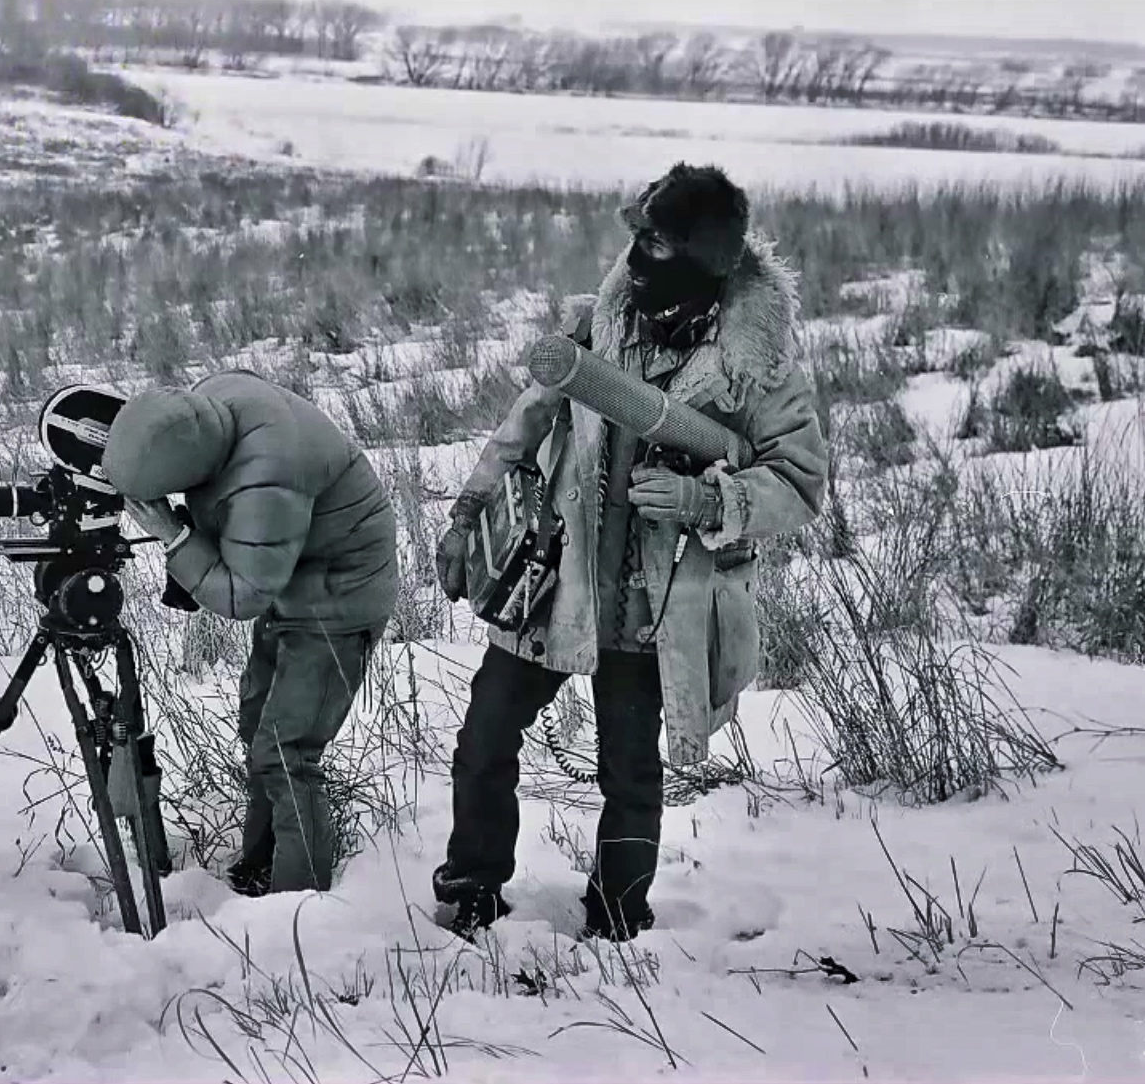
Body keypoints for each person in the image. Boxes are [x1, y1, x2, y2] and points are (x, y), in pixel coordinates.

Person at [432, 163, 829, 942]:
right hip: (554, 578)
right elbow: (525, 423)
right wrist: (467, 511)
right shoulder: (605, 316)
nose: (636, 250)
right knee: (482, 738)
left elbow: (799, 482)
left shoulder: (761, 362)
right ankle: (471, 890)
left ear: (701, 255)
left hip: (654, 602)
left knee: (630, 771)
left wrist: (709, 501)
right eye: (636, 234)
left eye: (656, 238)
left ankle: (618, 915)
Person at [102, 369, 400, 896]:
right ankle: (261, 860)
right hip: (294, 576)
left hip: (339, 598)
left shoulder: (270, 473)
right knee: (258, 723)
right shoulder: (209, 408)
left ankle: (298, 901)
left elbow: (242, 597)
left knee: (287, 751)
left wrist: (173, 536)